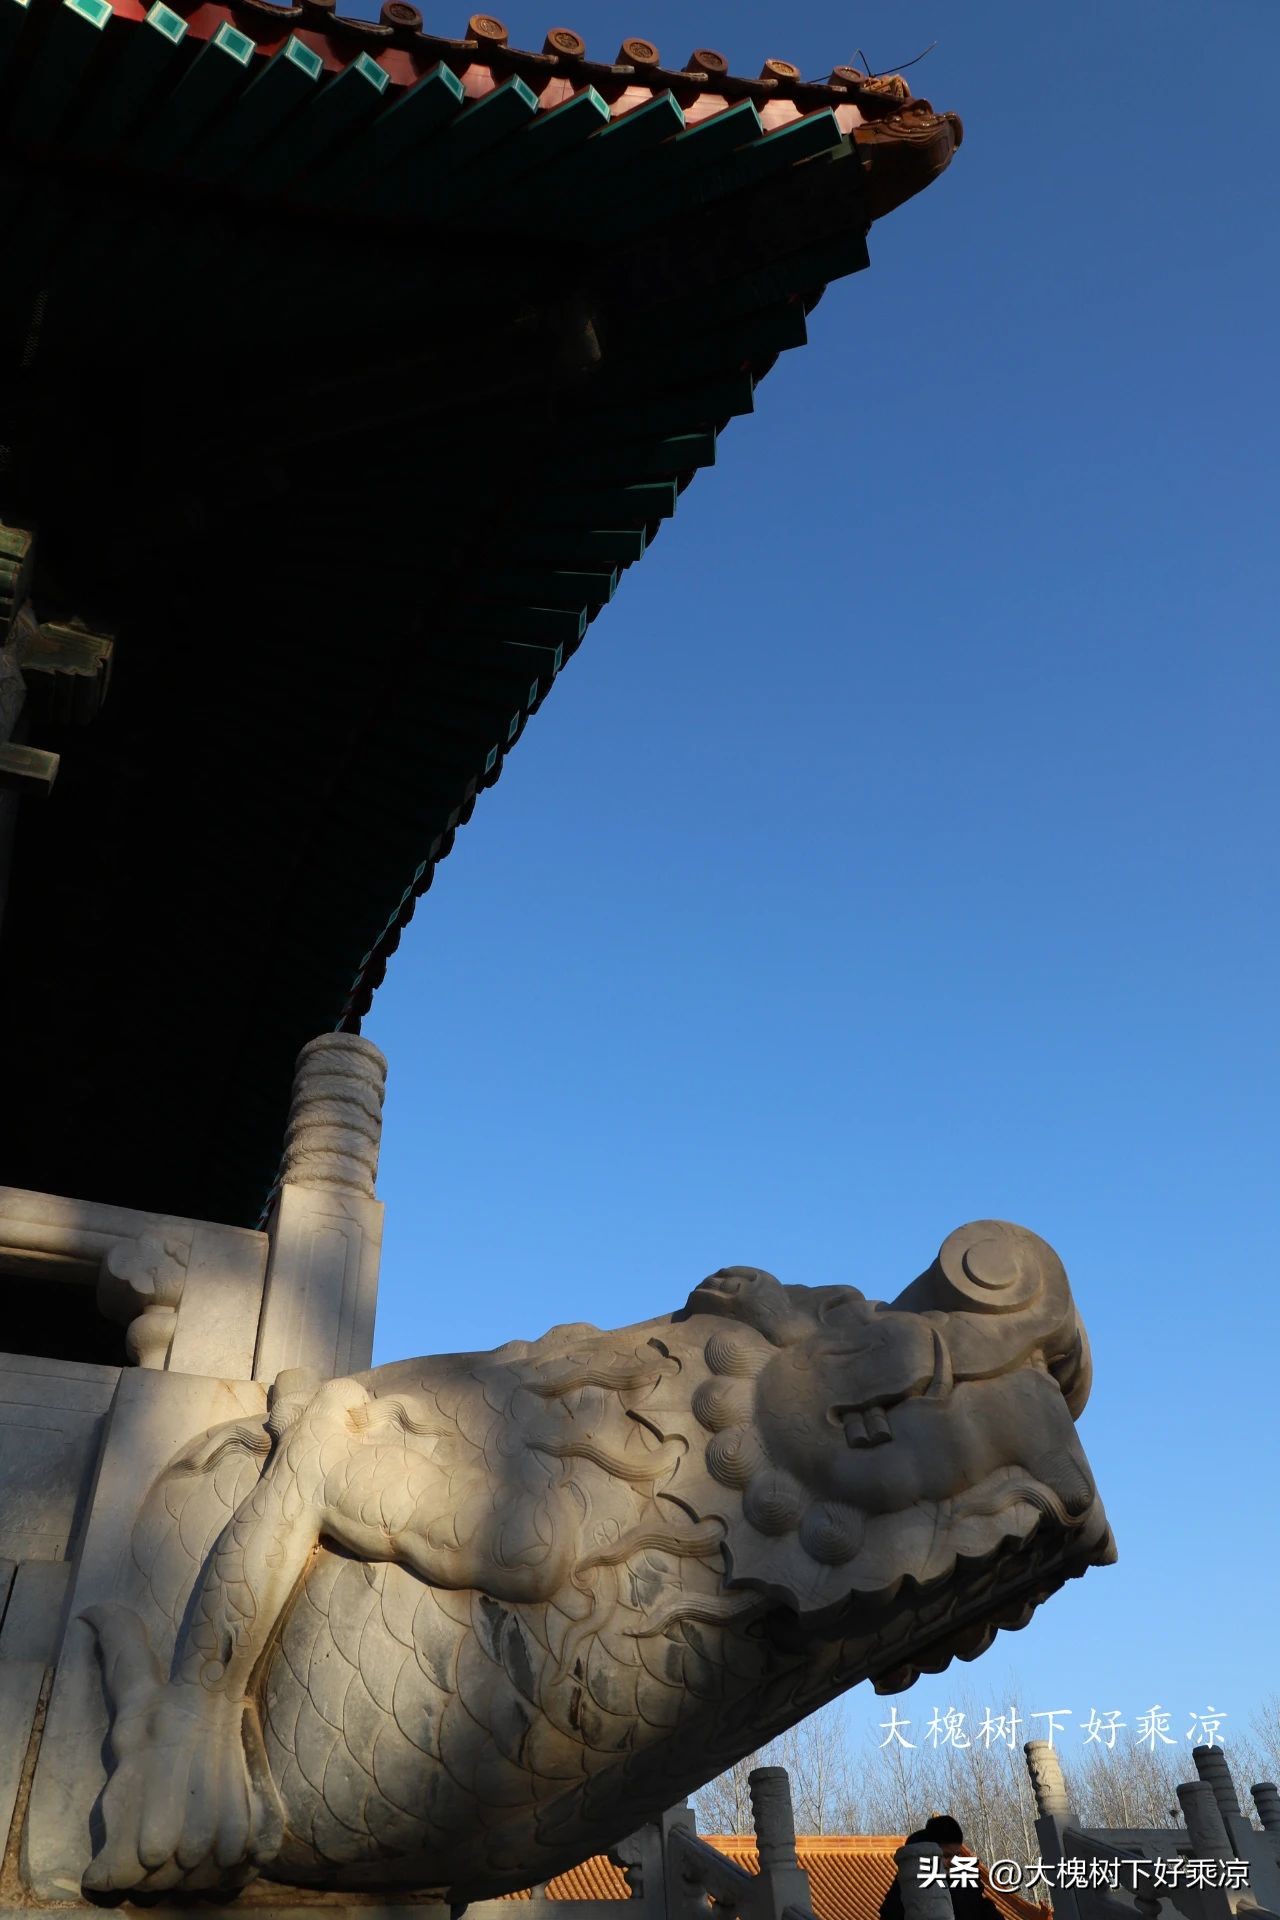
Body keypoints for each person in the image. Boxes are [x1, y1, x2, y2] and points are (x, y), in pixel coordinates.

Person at [879, 1815, 1000, 1920]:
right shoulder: (909, 1881)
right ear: (930, 1851)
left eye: (957, 1855)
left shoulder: (967, 1881)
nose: (953, 1862)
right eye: (946, 1856)